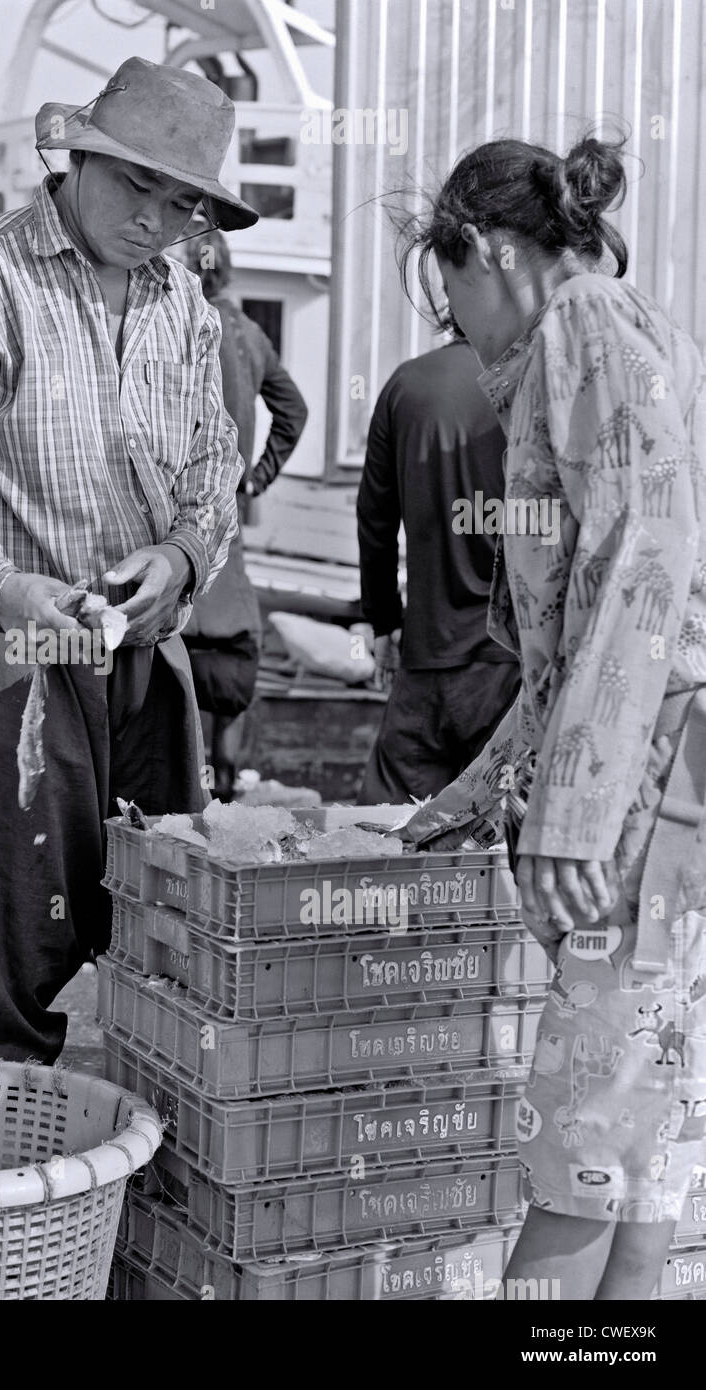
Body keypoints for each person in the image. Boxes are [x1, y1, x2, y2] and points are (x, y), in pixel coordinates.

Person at [0, 57, 249, 1062]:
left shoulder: (182, 303)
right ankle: (8, 1146)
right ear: (78, 157)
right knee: (3, 942)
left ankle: (149, 1137)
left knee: (167, 925)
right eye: (137, 186)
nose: (155, 222)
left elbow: (214, 465)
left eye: (180, 205)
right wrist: (3, 588)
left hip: (143, 648)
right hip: (16, 646)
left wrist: (177, 557)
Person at [400, 134, 706, 1300]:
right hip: (675, 787)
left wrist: (568, 821)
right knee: (641, 1152)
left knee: (581, 1156)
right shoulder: (642, 332)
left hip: (644, 809)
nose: (460, 332)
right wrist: (468, 798)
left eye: (452, 297)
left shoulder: (579, 330)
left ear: (487, 253)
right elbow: (579, 641)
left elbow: (640, 572)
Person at [172, 225, 308, 799]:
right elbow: (293, 411)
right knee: (230, 665)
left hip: (173, 521)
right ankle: (221, 791)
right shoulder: (249, 333)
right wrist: (255, 478)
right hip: (226, 527)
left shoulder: (171, 324)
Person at [356, 332, 521, 802]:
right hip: (509, 670)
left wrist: (384, 622)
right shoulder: (537, 383)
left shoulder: (408, 383)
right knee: (499, 840)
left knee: (393, 842)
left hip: (425, 661)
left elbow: (375, 520)